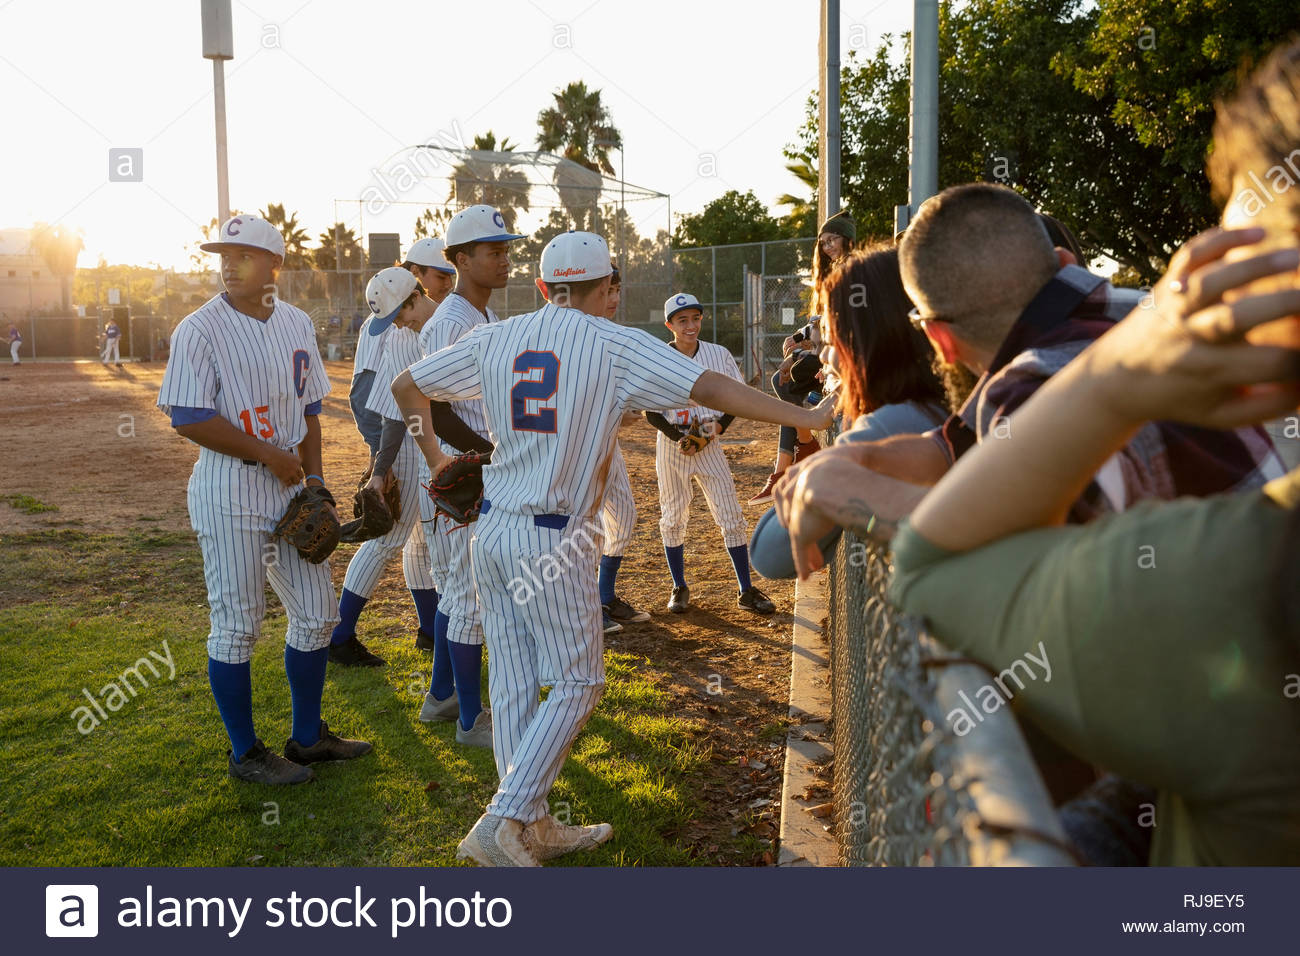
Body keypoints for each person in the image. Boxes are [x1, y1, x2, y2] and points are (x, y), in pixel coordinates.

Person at [391, 231, 832, 865]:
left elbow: (408, 387)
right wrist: (809, 419)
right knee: (579, 681)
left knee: (516, 684)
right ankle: (504, 819)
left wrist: (437, 457)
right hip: (554, 536)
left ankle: (529, 821)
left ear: (543, 287)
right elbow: (710, 390)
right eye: (609, 289)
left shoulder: (496, 335)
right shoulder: (612, 339)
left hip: (492, 529)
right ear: (606, 289)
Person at [775, 184, 1285, 577]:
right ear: (1063, 264)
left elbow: (989, 557)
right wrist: (862, 456)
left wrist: (851, 494)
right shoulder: (1141, 310)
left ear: (939, 339)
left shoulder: (1025, 385)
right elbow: (960, 440)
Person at [157, 213, 371, 785]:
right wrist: (269, 456)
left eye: (243, 254)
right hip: (229, 488)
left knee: (317, 615)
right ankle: (245, 755)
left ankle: (306, 739)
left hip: (288, 485)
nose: (228, 263)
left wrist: (316, 481)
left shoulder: (297, 323)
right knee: (237, 624)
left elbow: (309, 414)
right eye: (222, 254)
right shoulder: (198, 329)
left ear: (274, 263)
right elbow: (188, 416)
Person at [408, 205, 521, 744]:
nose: (504, 259)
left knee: (462, 590)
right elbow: (433, 405)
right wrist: (489, 454)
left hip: (476, 463)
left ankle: (441, 699)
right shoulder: (449, 321)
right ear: (460, 259)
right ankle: (472, 720)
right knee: (467, 595)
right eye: (492, 251)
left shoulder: (488, 319)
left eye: (506, 249)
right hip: (460, 469)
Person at [326, 265, 444, 669]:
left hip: (441, 446)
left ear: (418, 293)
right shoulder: (399, 338)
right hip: (415, 447)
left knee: (424, 544)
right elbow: (390, 411)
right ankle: (340, 636)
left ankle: (432, 631)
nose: (398, 324)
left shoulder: (450, 323)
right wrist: (381, 466)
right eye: (391, 319)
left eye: (400, 314)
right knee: (390, 541)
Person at [646, 293, 777, 615]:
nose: (690, 326)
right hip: (673, 443)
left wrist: (719, 429)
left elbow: (738, 397)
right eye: (682, 320)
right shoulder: (658, 357)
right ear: (669, 325)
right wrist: (679, 438)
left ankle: (746, 589)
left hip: (710, 439)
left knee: (730, 512)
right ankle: (678, 585)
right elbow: (651, 411)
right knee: (673, 515)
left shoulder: (717, 354)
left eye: (695, 318)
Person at [750, 210, 856, 504]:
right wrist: (797, 342)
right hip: (829, 356)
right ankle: (792, 459)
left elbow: (832, 324)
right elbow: (817, 320)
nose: (828, 247)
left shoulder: (852, 269)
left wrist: (797, 350)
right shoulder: (833, 271)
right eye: (823, 242)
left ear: (847, 239)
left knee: (789, 385)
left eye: (832, 239)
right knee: (788, 388)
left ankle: (798, 454)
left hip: (847, 360)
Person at [825, 245, 948, 443]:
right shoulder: (949, 409)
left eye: (832, 341)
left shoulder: (876, 434)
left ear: (866, 345)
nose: (824, 357)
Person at [594, 263, 650, 630]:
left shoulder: (611, 332)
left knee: (623, 518)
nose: (613, 298)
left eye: (617, 291)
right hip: (580, 447)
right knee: (587, 528)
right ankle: (590, 606)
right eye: (606, 291)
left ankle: (604, 596)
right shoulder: (582, 334)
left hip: (607, 443)